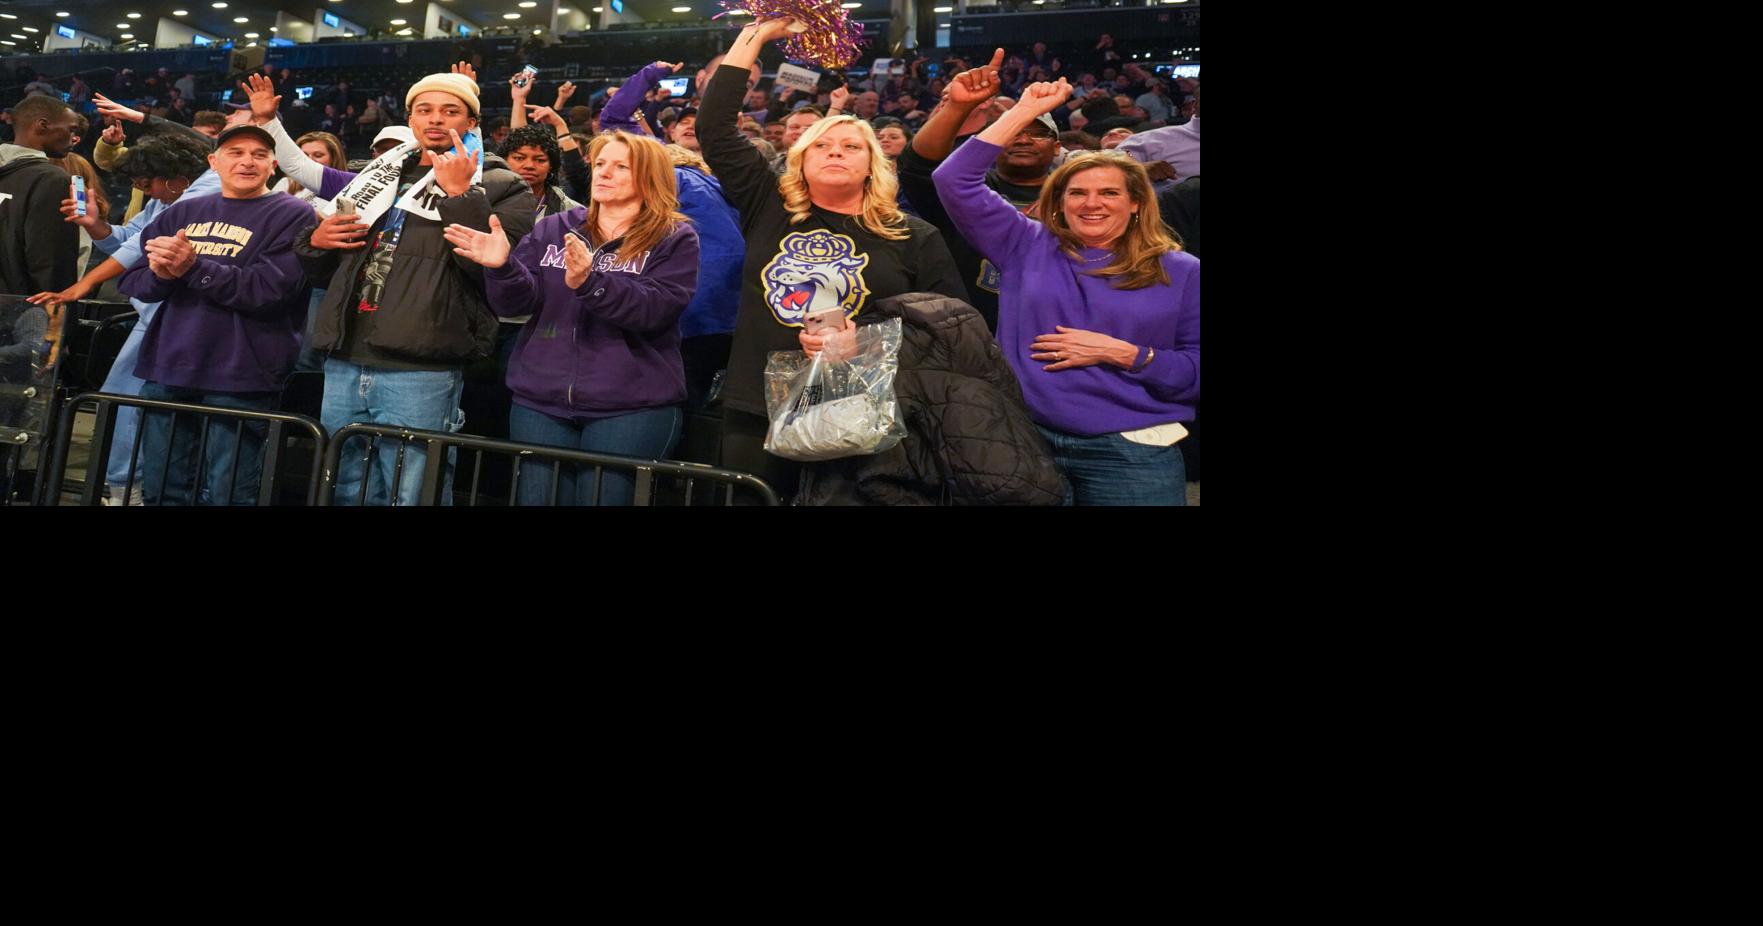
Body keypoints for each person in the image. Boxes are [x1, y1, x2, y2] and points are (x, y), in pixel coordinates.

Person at [699, 15, 968, 500]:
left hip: (868, 409)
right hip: (758, 406)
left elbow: (951, 333)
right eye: (820, 145)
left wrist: (863, 345)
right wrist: (754, 37)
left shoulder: (913, 234)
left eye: (851, 146)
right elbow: (714, 127)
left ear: (872, 165)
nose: (835, 152)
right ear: (800, 161)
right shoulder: (768, 204)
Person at [251, 68, 537, 506]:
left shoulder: (502, 184)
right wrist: (315, 242)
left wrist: (461, 196)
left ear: (472, 122)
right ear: (411, 118)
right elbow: (326, 270)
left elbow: (491, 273)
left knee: (413, 493)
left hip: (421, 364)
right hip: (345, 353)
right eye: (424, 109)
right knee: (345, 488)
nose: (435, 118)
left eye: (450, 111)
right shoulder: (377, 175)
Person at [933, 78, 1199, 506]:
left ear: (1136, 202)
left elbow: (1195, 369)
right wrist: (1024, 111)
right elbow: (953, 179)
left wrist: (1125, 353)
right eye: (1078, 193)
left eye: (1109, 192)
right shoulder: (1024, 243)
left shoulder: (1183, 271)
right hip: (1023, 442)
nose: (1092, 203)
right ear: (1059, 201)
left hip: (1132, 450)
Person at [444, 131, 700, 505]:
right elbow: (515, 304)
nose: (603, 173)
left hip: (630, 407)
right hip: (540, 401)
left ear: (650, 176)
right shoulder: (555, 226)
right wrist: (502, 268)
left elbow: (655, 309)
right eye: (600, 164)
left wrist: (591, 283)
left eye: (620, 167)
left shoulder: (674, 237)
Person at [116, 123, 316, 505]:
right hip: (170, 366)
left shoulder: (294, 214)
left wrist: (193, 268)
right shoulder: (183, 210)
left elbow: (270, 290)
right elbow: (135, 281)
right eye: (235, 153)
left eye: (259, 155)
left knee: (231, 493)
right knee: (162, 490)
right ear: (213, 162)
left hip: (243, 374)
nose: (247, 162)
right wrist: (161, 275)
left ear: (273, 165)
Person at [29, 134, 220, 505]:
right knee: (120, 402)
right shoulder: (169, 194)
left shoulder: (207, 189)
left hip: (189, 320)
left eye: (146, 184)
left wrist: (85, 283)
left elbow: (138, 246)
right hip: (158, 316)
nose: (142, 190)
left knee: (150, 409)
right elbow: (127, 237)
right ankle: (126, 490)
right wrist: (94, 223)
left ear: (175, 177)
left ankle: (135, 491)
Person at [896, 48, 1060, 332]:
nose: (1023, 140)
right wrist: (956, 108)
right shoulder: (965, 191)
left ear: (1057, 147)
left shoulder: (1080, 196)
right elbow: (918, 167)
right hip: (968, 336)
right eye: (1015, 131)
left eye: (1038, 133)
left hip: (1057, 334)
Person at [0, 95, 81, 299]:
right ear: (43, 125)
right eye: (71, 129)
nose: (73, 138)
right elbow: (50, 262)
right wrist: (55, 309)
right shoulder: (52, 180)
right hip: (19, 308)